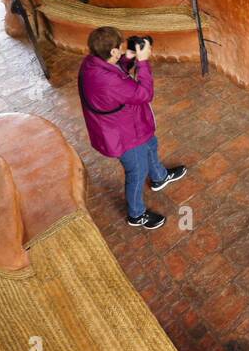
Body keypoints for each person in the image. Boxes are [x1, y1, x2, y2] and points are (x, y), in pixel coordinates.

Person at [78, 25, 186, 229]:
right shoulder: (107, 81)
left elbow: (116, 69)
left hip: (130, 124)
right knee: (137, 171)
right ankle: (136, 214)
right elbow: (144, 94)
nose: (121, 49)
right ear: (112, 51)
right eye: (119, 47)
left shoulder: (92, 62)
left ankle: (159, 177)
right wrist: (143, 62)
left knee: (151, 145)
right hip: (124, 135)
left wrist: (127, 57)